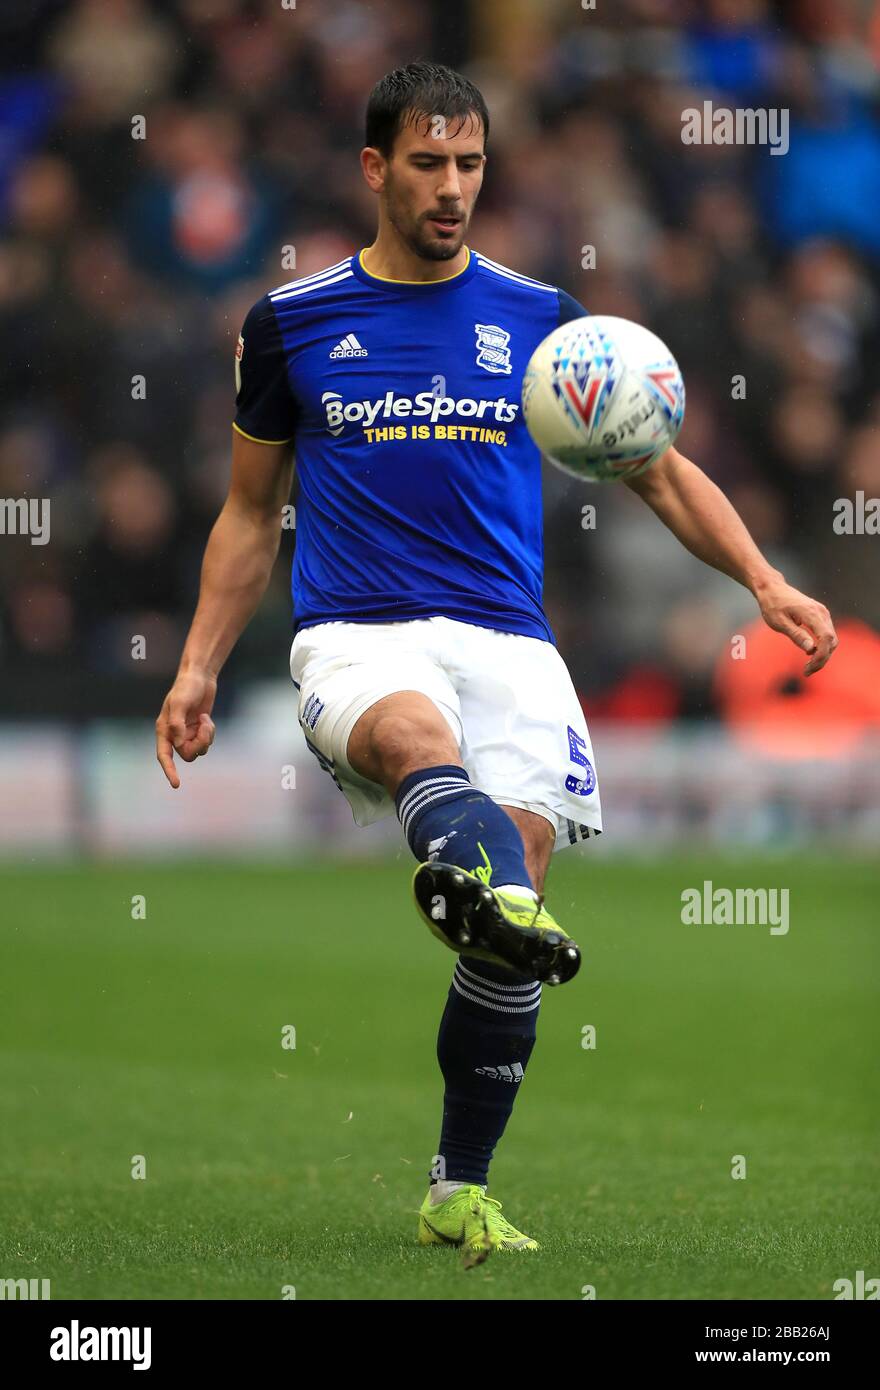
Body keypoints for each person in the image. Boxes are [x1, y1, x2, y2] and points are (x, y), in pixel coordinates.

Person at [155, 61, 838, 1257]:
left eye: (470, 164)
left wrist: (767, 580)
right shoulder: (291, 323)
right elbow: (249, 513)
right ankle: (477, 894)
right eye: (428, 163)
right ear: (376, 168)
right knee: (419, 750)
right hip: (357, 630)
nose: (453, 187)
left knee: (505, 899)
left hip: (510, 638)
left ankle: (455, 1187)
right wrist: (199, 665)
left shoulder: (540, 321)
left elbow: (659, 467)